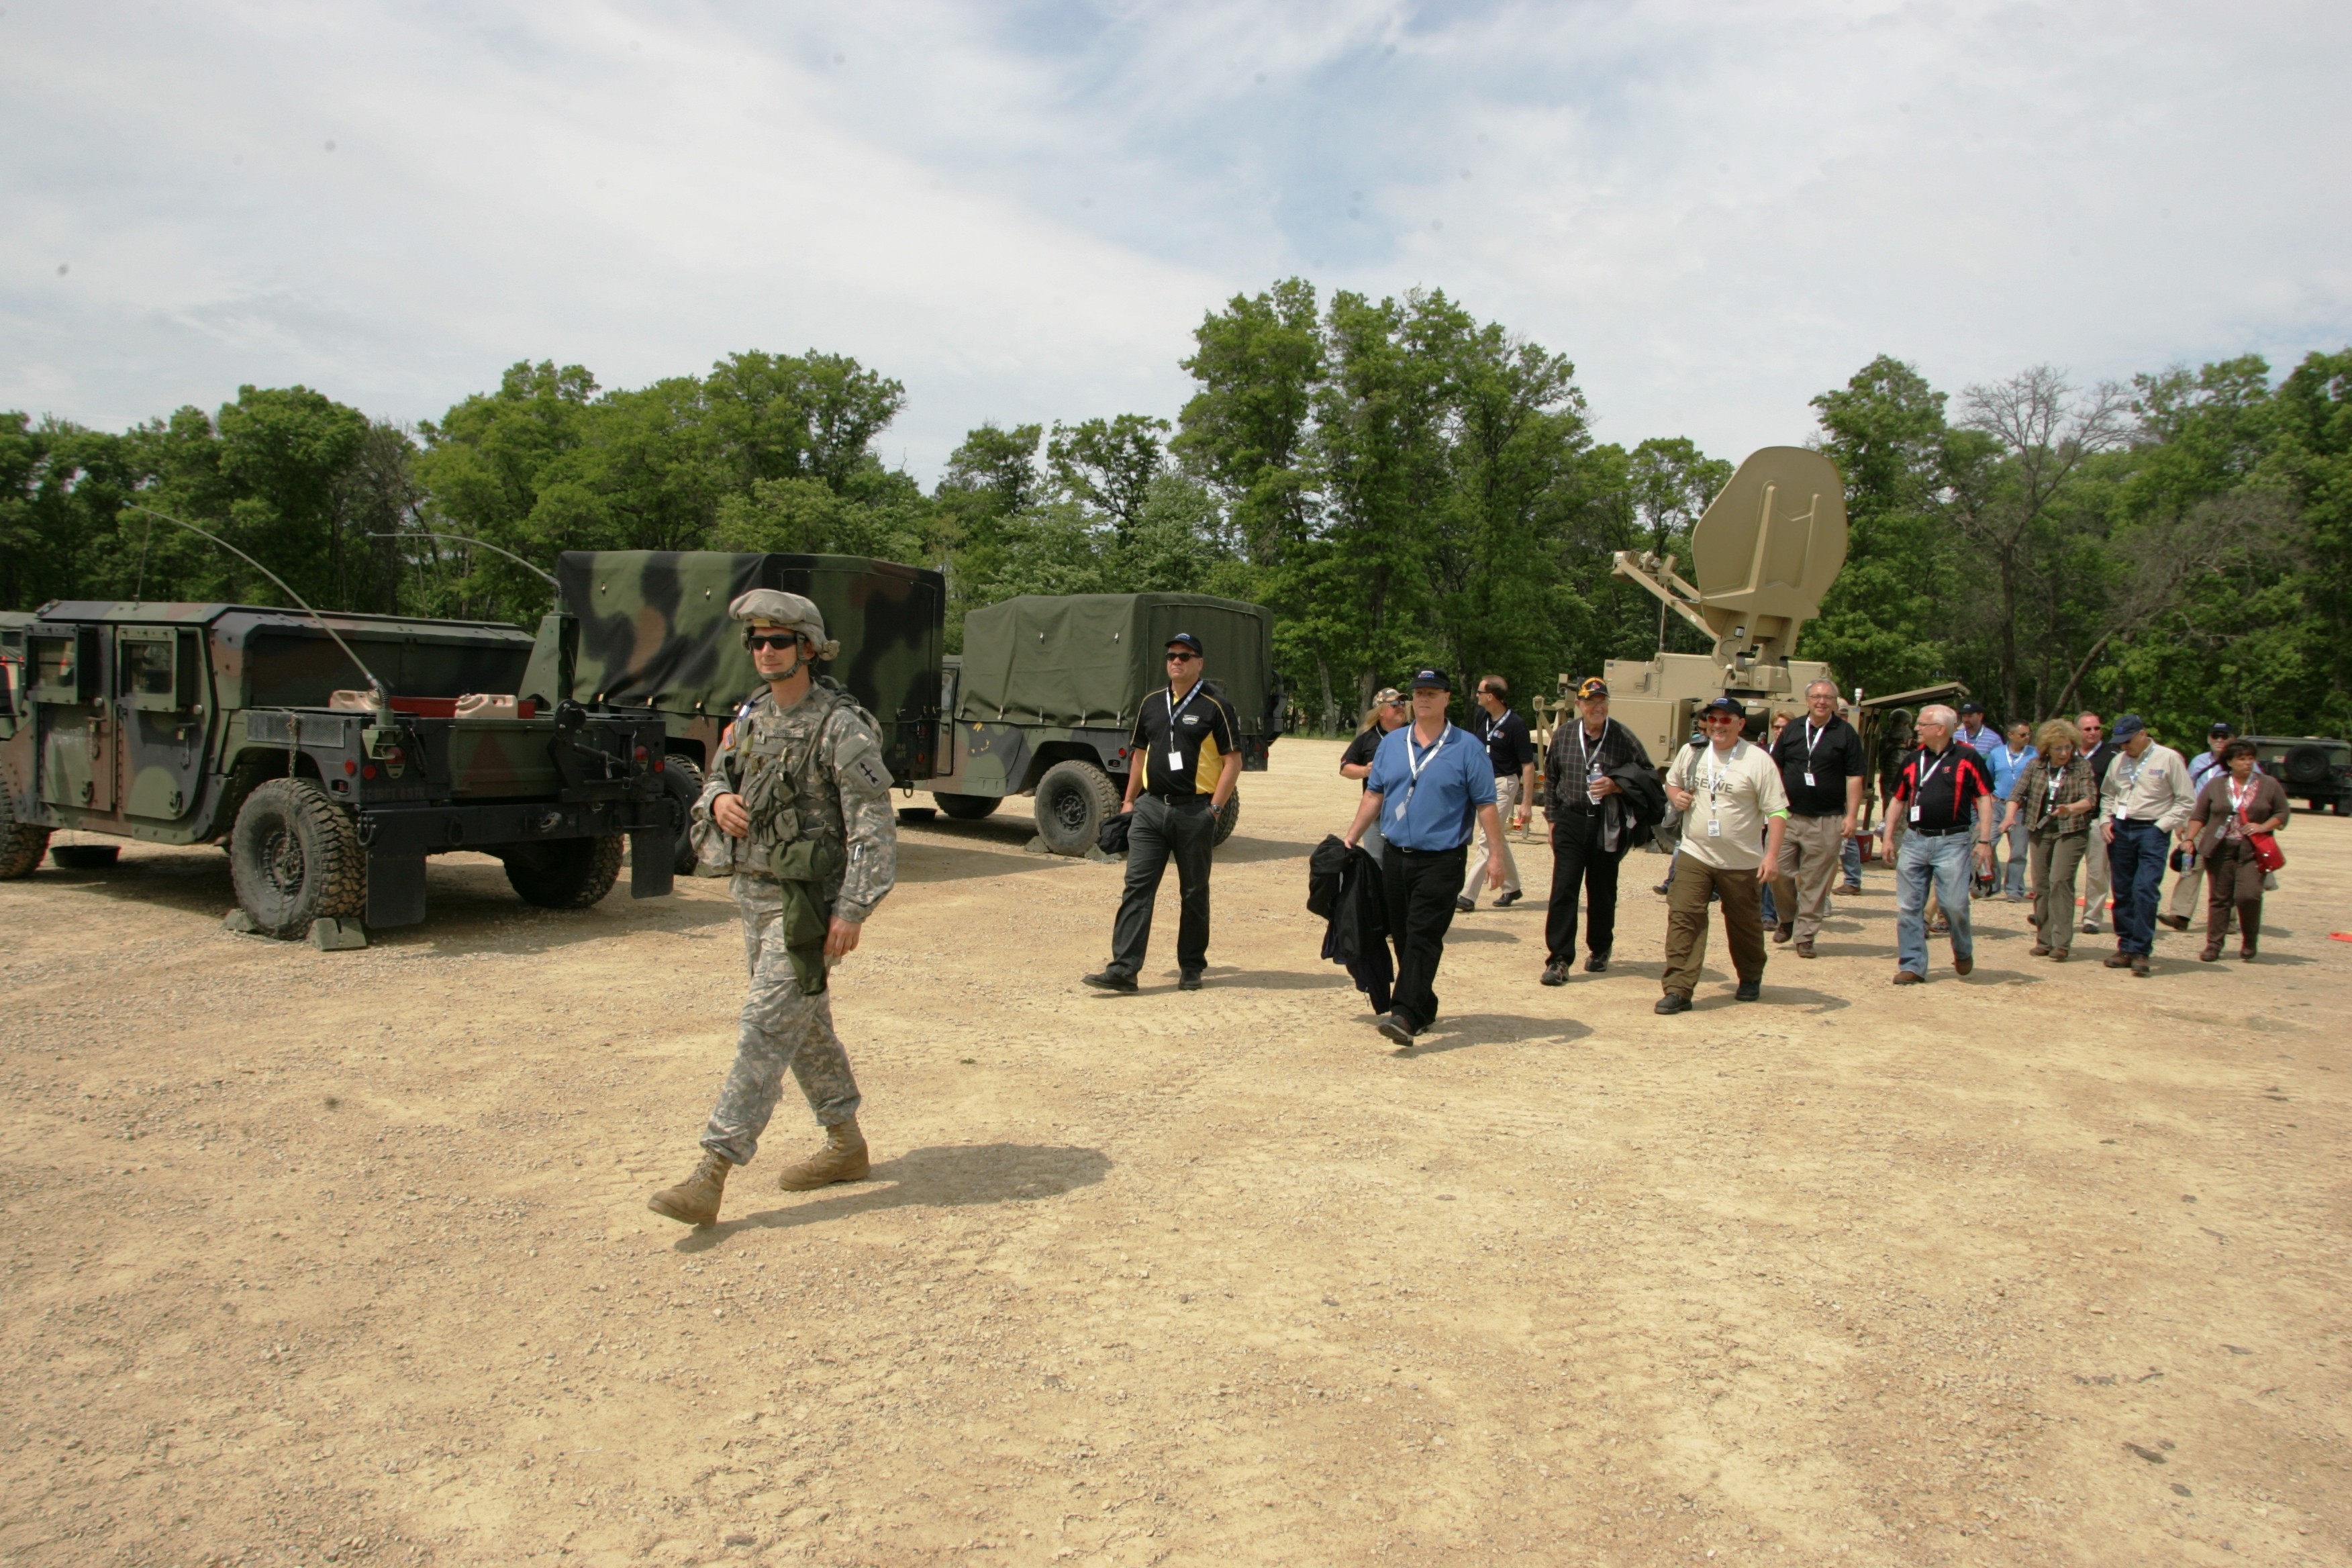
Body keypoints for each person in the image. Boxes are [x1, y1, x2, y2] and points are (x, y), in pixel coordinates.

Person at [649, 591, 898, 1226]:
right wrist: (715, 805)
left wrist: (852, 909)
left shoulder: (841, 726)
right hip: (752, 893)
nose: (765, 651)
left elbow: (873, 829)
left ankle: (712, 1170)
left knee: (764, 1026)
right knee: (802, 1025)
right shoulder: (752, 716)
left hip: (808, 906)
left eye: (779, 641)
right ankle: (846, 1144)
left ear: (809, 648)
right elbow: (717, 778)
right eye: (757, 641)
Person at [1343, 668, 1508, 1046]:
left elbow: (1486, 805)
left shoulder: (1467, 748)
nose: (1423, 699)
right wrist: (1351, 839)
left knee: (1422, 936)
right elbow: (1375, 795)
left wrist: (1495, 856)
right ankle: (1424, 1003)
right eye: (1418, 693)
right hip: (1396, 857)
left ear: (1448, 699)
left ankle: (1404, 1014)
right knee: (1402, 935)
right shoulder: (1391, 744)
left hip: (1442, 859)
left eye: (1432, 693)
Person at [1085, 632, 1242, 993]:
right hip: (1150, 809)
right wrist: (1129, 802)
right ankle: (1124, 970)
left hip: (1195, 811)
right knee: (1137, 888)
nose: (1177, 661)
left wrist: (1215, 809)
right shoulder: (1152, 703)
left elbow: (1233, 762)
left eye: (1185, 656)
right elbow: (1139, 753)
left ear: (1199, 663)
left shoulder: (1215, 705)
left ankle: (1191, 967)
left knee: (1193, 891)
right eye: (1171, 655)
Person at [1655, 697, 1787, 1014]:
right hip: (1694, 852)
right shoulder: (1693, 752)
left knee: (1744, 923)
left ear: (1741, 724)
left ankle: (1751, 975)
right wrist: (1678, 798)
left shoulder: (1758, 761)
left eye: (1726, 720)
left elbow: (1778, 811)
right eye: (1712, 719)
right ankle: (1679, 989)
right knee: (1684, 917)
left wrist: (1771, 857)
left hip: (1741, 860)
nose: (1718, 725)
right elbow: (1671, 783)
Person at [1539, 677, 1654, 985]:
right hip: (1570, 819)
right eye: (1590, 701)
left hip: (1607, 822)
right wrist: (1552, 820)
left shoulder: (1621, 737)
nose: (1597, 707)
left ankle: (1600, 948)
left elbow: (1648, 774)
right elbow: (1551, 779)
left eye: (1602, 701)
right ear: (1579, 705)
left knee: (1602, 890)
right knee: (1564, 889)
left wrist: (1617, 785)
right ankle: (1559, 959)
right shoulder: (1564, 735)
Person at [1887, 703, 1998, 985]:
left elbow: (1984, 798)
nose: (1916, 729)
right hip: (1915, 839)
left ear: (1940, 729)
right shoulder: (1913, 760)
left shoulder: (1968, 758)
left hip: (1953, 840)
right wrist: (1888, 836)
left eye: (1922, 724)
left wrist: (1984, 840)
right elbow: (1898, 799)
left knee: (1954, 904)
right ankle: (1912, 964)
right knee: (1909, 906)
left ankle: (1962, 949)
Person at [1766, 679, 1865, 959]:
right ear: (1807, 700)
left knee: (1815, 880)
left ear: (1835, 702)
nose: (1822, 701)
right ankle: (1786, 917)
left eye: (1827, 697)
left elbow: (1854, 776)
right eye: (1816, 697)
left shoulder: (1845, 734)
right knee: (1780, 872)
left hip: (1827, 818)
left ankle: (1805, 935)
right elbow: (1775, 767)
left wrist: (1852, 815)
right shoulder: (1793, 730)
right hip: (1788, 815)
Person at [2097, 714, 2196, 977]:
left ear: (2143, 734)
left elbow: (2186, 800)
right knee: (2122, 889)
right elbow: (2108, 794)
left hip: (2152, 828)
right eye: (2120, 742)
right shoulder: (2118, 761)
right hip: (2121, 827)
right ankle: (2125, 946)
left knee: (2145, 889)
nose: (2124, 747)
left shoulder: (2169, 758)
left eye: (2128, 741)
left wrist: (2161, 826)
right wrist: (2105, 820)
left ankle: (2141, 949)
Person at [1999, 720, 2096, 961]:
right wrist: (2010, 816)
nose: (2064, 753)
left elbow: (2090, 799)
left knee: (2060, 881)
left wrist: (2071, 808)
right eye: (2058, 749)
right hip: (2040, 829)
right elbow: (2017, 794)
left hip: (2071, 829)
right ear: (2046, 748)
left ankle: (2062, 942)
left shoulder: (2081, 767)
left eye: (2068, 748)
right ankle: (2044, 939)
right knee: (2041, 884)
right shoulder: (2036, 766)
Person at [2186, 738, 2289, 962]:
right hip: (2220, 848)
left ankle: (2250, 940)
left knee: (2248, 895)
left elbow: (2282, 814)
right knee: (2219, 898)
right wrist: (2189, 839)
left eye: (2251, 758)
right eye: (2241, 759)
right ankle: (2214, 945)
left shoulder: (2269, 784)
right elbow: (2199, 815)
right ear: (2229, 762)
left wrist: (2263, 826)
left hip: (2252, 850)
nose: (2247, 763)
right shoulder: (2216, 785)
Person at [1459, 676, 1535, 911]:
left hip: (1503, 785)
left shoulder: (1515, 725)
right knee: (1496, 836)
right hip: (1483, 784)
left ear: (1491, 696)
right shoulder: (1484, 719)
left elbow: (1528, 765)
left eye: (1480, 692)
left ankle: (1467, 895)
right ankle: (1512, 887)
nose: (1477, 696)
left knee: (1485, 839)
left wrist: (1527, 804)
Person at [2166, 722, 2239, 932]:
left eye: (2224, 736)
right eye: (2215, 736)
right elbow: (2185, 792)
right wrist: (2182, 822)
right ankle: (2180, 914)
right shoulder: (2199, 762)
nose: (2219, 740)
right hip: (2200, 822)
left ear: (2233, 739)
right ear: (2208, 739)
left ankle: (2228, 919)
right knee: (2189, 865)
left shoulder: (2241, 761)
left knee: (2225, 870)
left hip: (2228, 824)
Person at [2074, 712, 2118, 934]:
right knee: (2060, 871)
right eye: (2088, 729)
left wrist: (2109, 819)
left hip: (2097, 819)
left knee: (2097, 872)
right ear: (2077, 731)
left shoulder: (2112, 754)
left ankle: (2092, 918)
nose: (2093, 732)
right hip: (2068, 819)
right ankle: (2054, 913)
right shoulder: (2067, 751)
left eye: (2097, 728)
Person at [1990, 722, 2039, 901]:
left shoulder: (2035, 754)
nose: (2028, 737)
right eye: (2023, 735)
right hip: (1998, 804)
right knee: (1989, 843)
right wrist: (1990, 796)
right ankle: (1992, 884)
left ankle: (2014, 890)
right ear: (2010, 735)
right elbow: (1989, 776)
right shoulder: (1996, 754)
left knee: (2018, 850)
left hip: (2021, 807)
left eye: (2028, 734)